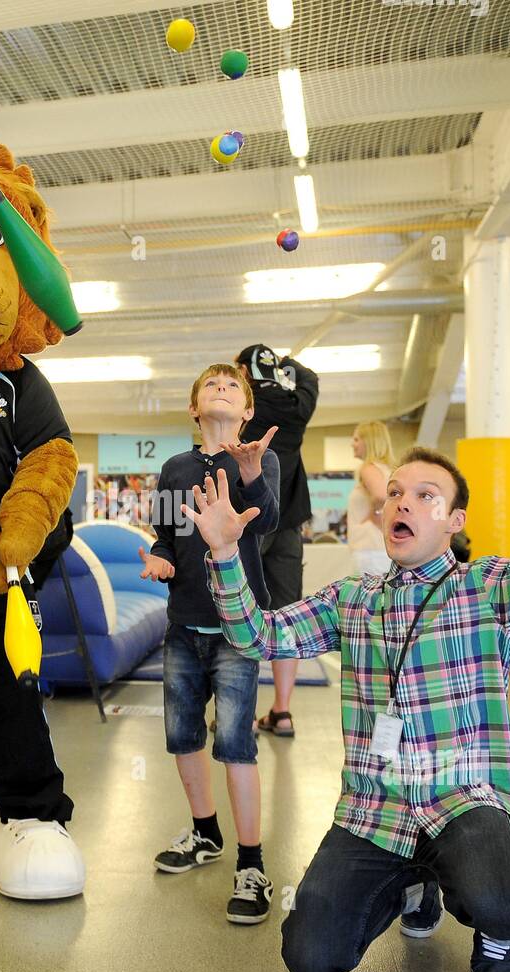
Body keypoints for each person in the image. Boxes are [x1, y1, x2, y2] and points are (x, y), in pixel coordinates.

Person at [183, 342, 510, 972]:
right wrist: (228, 553)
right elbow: (255, 634)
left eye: (424, 495)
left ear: (454, 519)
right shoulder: (354, 599)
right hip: (375, 810)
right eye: (395, 492)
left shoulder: (489, 589)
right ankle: (414, 885)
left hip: (462, 798)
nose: (402, 502)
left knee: (499, 896)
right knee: (309, 956)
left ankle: (499, 929)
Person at [141, 362, 280, 924]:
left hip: (237, 628)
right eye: (211, 386)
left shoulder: (258, 459)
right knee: (182, 736)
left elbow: (265, 520)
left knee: (237, 745)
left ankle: (253, 864)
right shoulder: (175, 468)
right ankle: (205, 834)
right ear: (195, 407)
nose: (221, 391)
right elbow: (168, 536)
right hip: (183, 624)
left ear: (246, 410)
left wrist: (249, 474)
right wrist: (159, 557)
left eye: (233, 388)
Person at [236, 344, 318, 738]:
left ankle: (244, 716)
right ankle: (282, 712)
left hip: (251, 522)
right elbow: (312, 379)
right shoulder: (296, 407)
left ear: (242, 371)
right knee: (287, 617)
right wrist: (290, 364)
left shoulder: (243, 411)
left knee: (241, 616)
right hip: (287, 526)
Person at [348, 420, 395, 579]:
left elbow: (381, 496)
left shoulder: (368, 468)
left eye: (356, 439)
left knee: (370, 601)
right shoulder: (386, 470)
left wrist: (373, 516)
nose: (352, 444)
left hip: (369, 549)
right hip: (379, 548)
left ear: (368, 441)